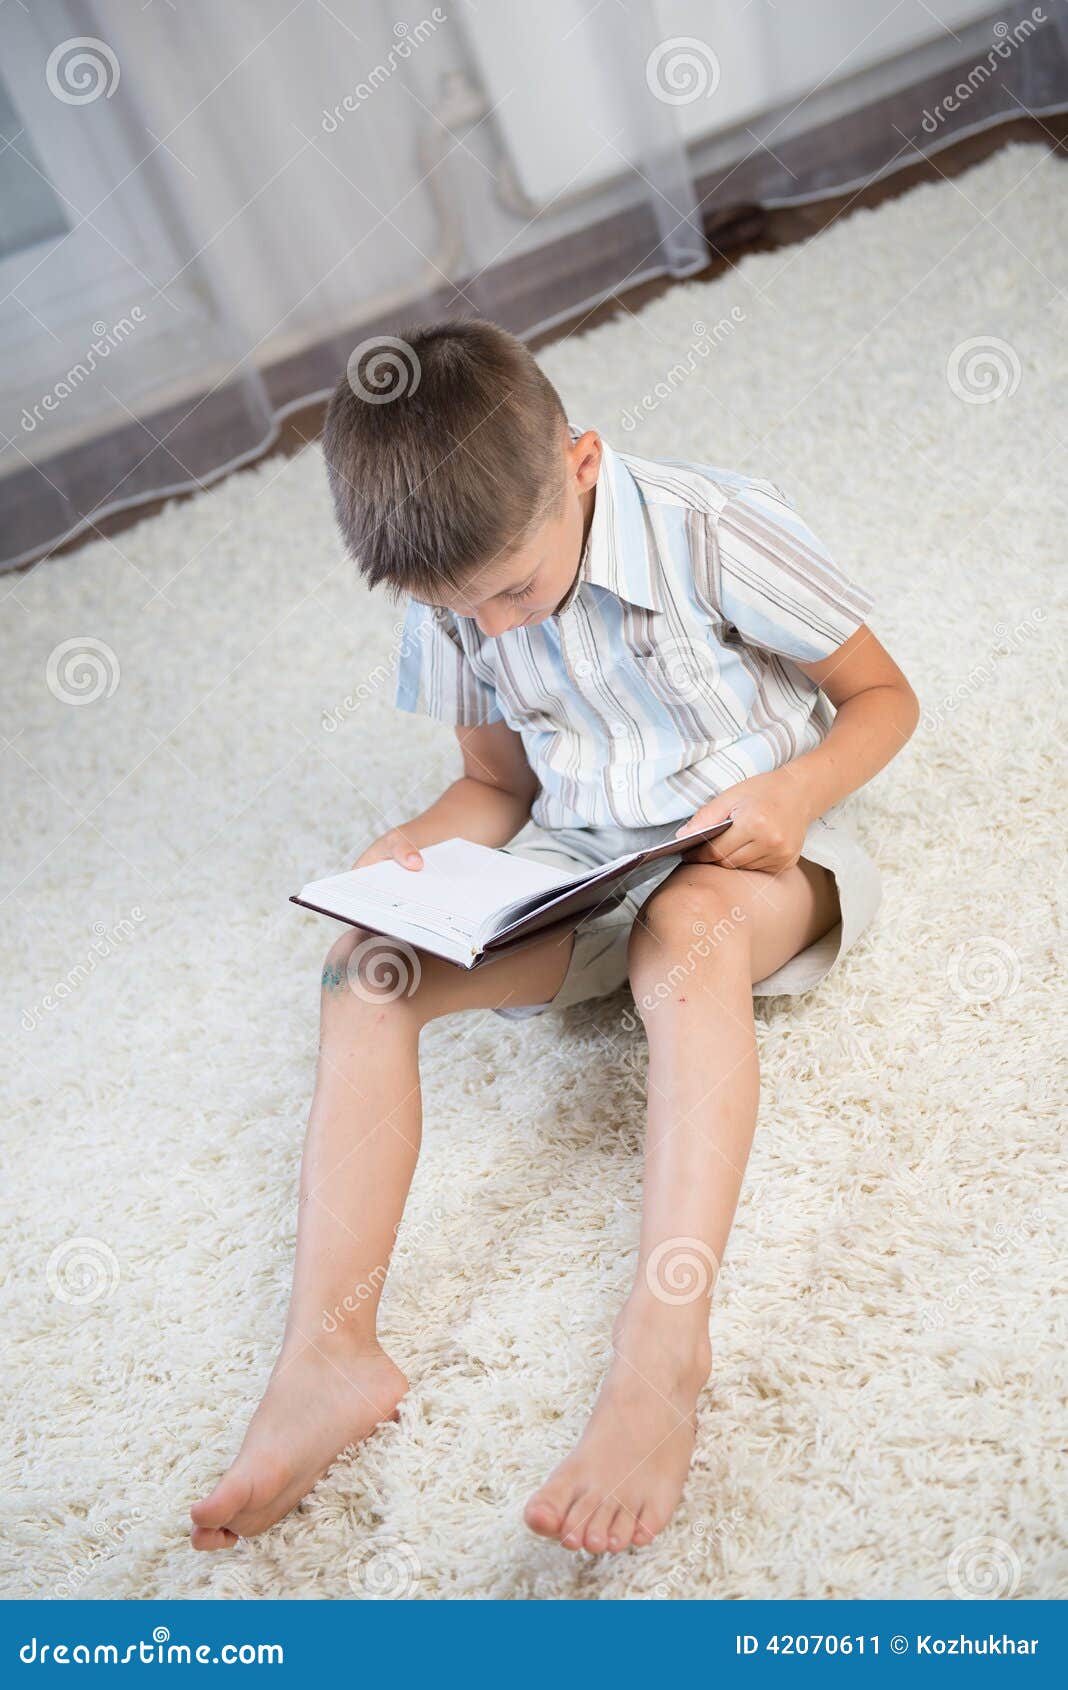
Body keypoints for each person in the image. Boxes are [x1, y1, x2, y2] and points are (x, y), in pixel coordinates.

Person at [191, 318, 917, 1555]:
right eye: (463, 611)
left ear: (581, 462)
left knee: (680, 933)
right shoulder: (461, 590)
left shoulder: (710, 528)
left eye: (517, 592)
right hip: (579, 869)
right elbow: (493, 785)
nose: (500, 628)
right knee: (361, 973)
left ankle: (660, 1347)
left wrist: (792, 795)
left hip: (753, 865)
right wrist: (414, 848)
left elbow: (884, 698)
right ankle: (328, 1355)